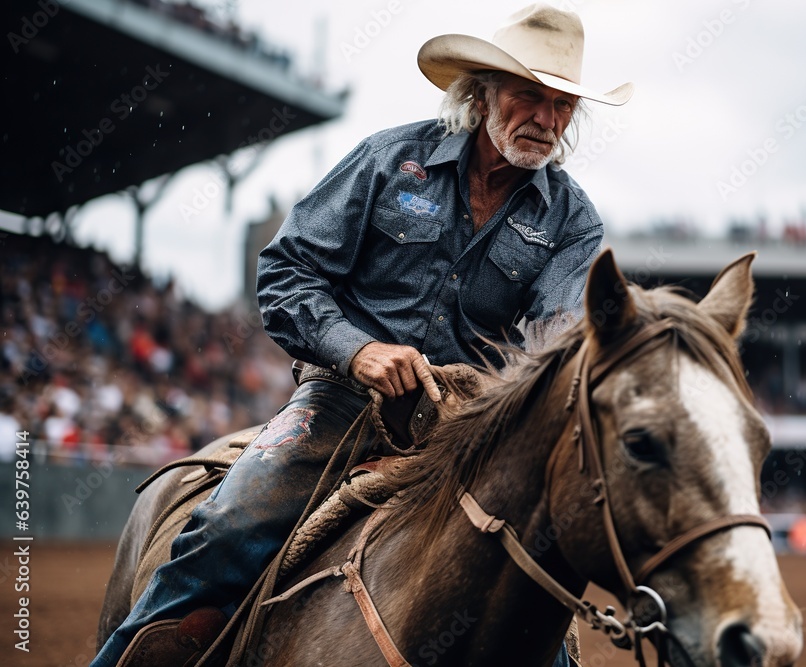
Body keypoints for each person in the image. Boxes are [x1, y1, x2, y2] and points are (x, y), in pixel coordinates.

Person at [93, 4, 632, 665]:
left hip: (466, 429)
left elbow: (558, 339)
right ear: (484, 90)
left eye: (562, 105)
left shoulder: (572, 220)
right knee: (228, 529)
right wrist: (361, 351)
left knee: (535, 606)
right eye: (530, 96)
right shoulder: (388, 160)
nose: (547, 120)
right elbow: (287, 274)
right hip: (339, 404)